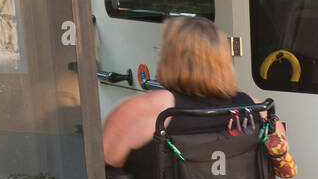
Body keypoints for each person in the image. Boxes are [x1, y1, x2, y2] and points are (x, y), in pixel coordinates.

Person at [102, 15, 287, 170]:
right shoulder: (256, 107)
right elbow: (282, 162)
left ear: (170, 58)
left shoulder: (146, 108)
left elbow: (106, 159)